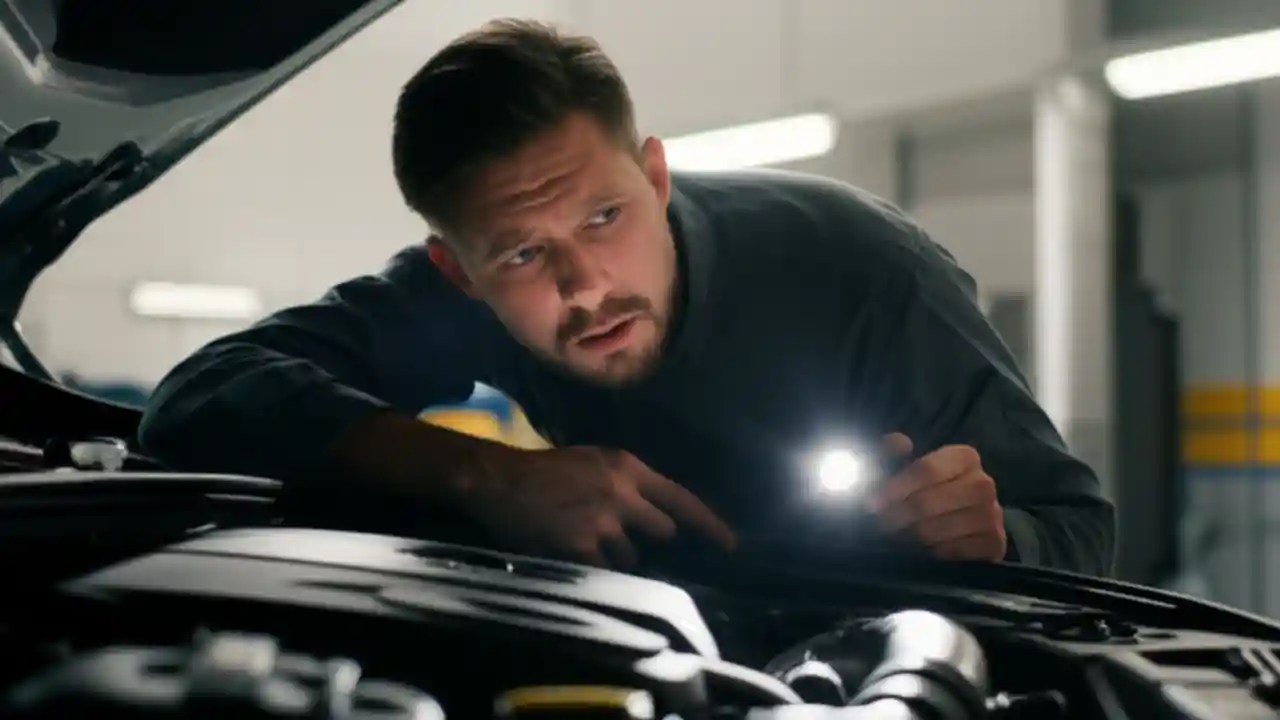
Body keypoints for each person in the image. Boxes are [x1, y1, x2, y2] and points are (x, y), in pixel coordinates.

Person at [138, 19, 1114, 576]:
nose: (582, 285)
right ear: (456, 274)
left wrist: (997, 535)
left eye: (604, 217)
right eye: (521, 254)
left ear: (654, 174)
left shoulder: (865, 273)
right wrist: (487, 479)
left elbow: (1079, 531)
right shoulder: (444, 305)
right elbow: (200, 396)